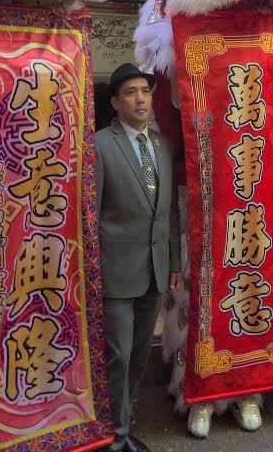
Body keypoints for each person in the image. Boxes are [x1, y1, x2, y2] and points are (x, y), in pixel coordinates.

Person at [95, 63, 182, 452]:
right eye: (130, 92)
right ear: (115, 102)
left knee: (140, 352)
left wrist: (175, 262)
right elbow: (90, 214)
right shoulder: (100, 144)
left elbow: (171, 211)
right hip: (116, 270)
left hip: (156, 270)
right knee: (117, 352)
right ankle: (115, 433)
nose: (140, 98)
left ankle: (122, 423)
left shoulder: (162, 147)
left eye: (144, 91)